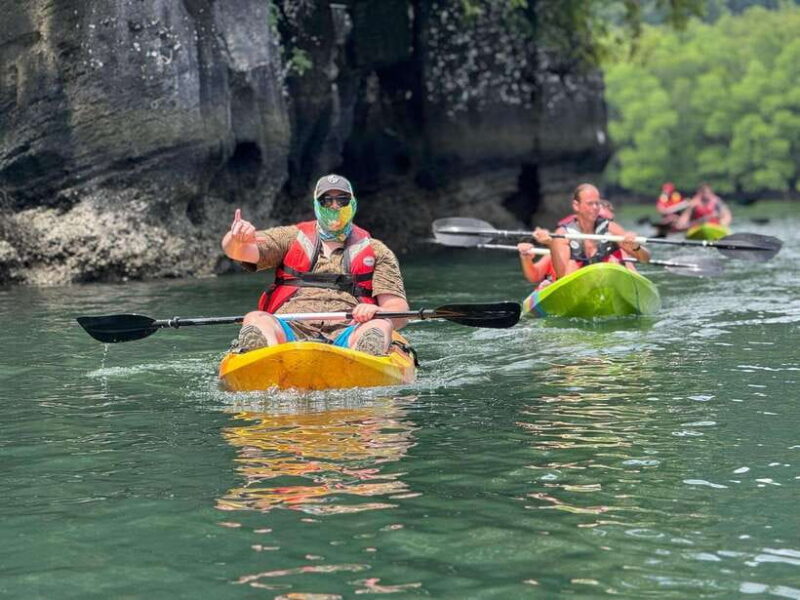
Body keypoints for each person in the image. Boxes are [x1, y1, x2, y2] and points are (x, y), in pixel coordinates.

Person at [221, 174, 410, 356]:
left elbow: (398, 310)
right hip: (290, 327)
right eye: (326, 200)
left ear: (352, 203)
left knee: (380, 325)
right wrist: (236, 239)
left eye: (342, 200)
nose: (334, 206)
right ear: (316, 205)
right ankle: (267, 358)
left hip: (349, 329)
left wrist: (379, 311)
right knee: (255, 318)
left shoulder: (377, 251)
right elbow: (240, 251)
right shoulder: (290, 237)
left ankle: (365, 355)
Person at [531, 183, 651, 279]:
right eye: (589, 204)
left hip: (607, 281)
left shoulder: (610, 228)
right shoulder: (563, 234)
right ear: (576, 205)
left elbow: (645, 259)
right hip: (579, 284)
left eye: (597, 203)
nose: (595, 208)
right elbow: (561, 275)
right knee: (572, 265)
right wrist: (551, 245)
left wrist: (636, 246)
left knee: (613, 262)